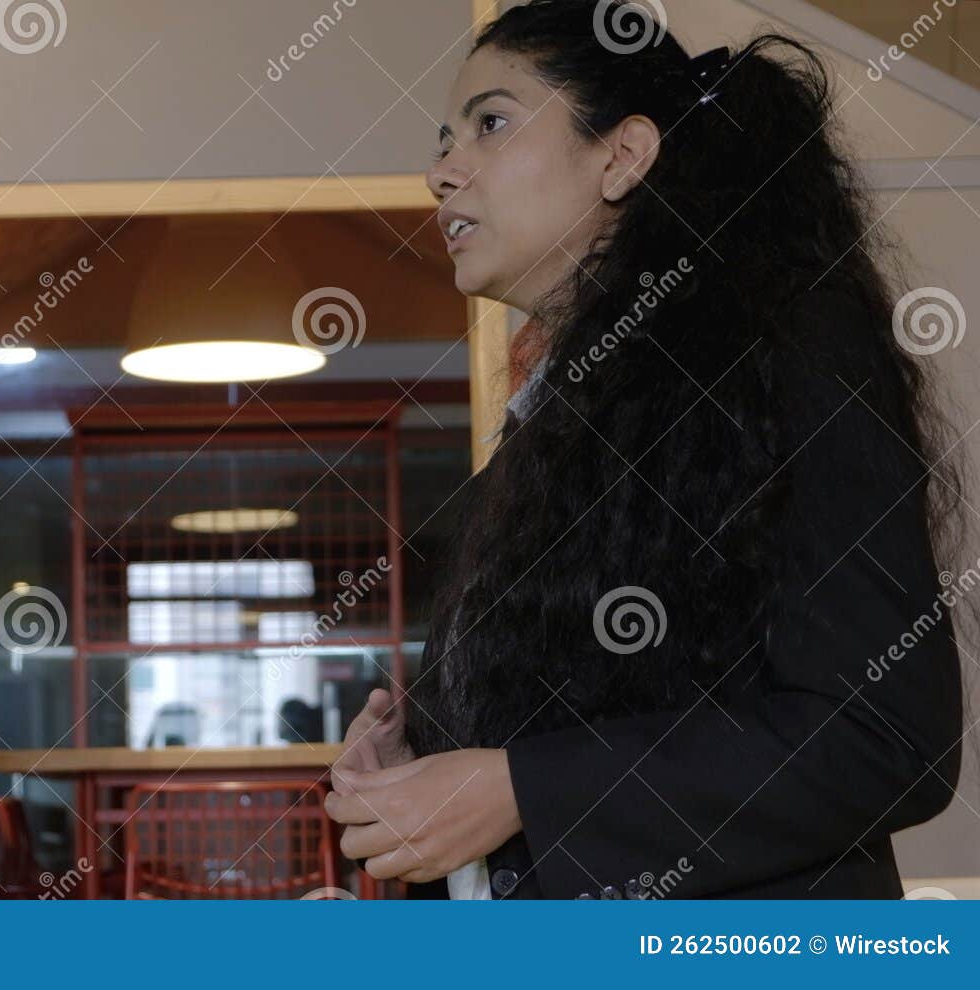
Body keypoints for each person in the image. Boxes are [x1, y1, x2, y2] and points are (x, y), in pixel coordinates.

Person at [326, 0, 971, 899]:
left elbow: (885, 735)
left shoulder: (787, 355)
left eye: (491, 124)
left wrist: (522, 789)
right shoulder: (540, 430)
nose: (441, 171)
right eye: (445, 139)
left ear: (623, 155)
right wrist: (427, 751)